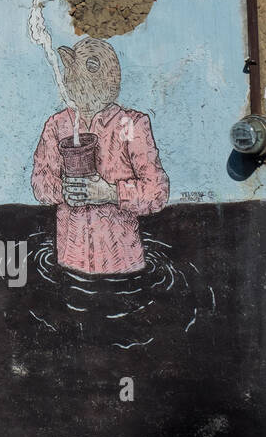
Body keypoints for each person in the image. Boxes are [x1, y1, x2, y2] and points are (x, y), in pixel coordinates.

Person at [30, 38, 169, 275]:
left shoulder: (131, 124)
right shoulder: (57, 125)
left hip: (123, 265)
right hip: (69, 262)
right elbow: (40, 183)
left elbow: (157, 192)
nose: (70, 82)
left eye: (76, 75)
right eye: (70, 75)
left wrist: (110, 193)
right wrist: (63, 190)